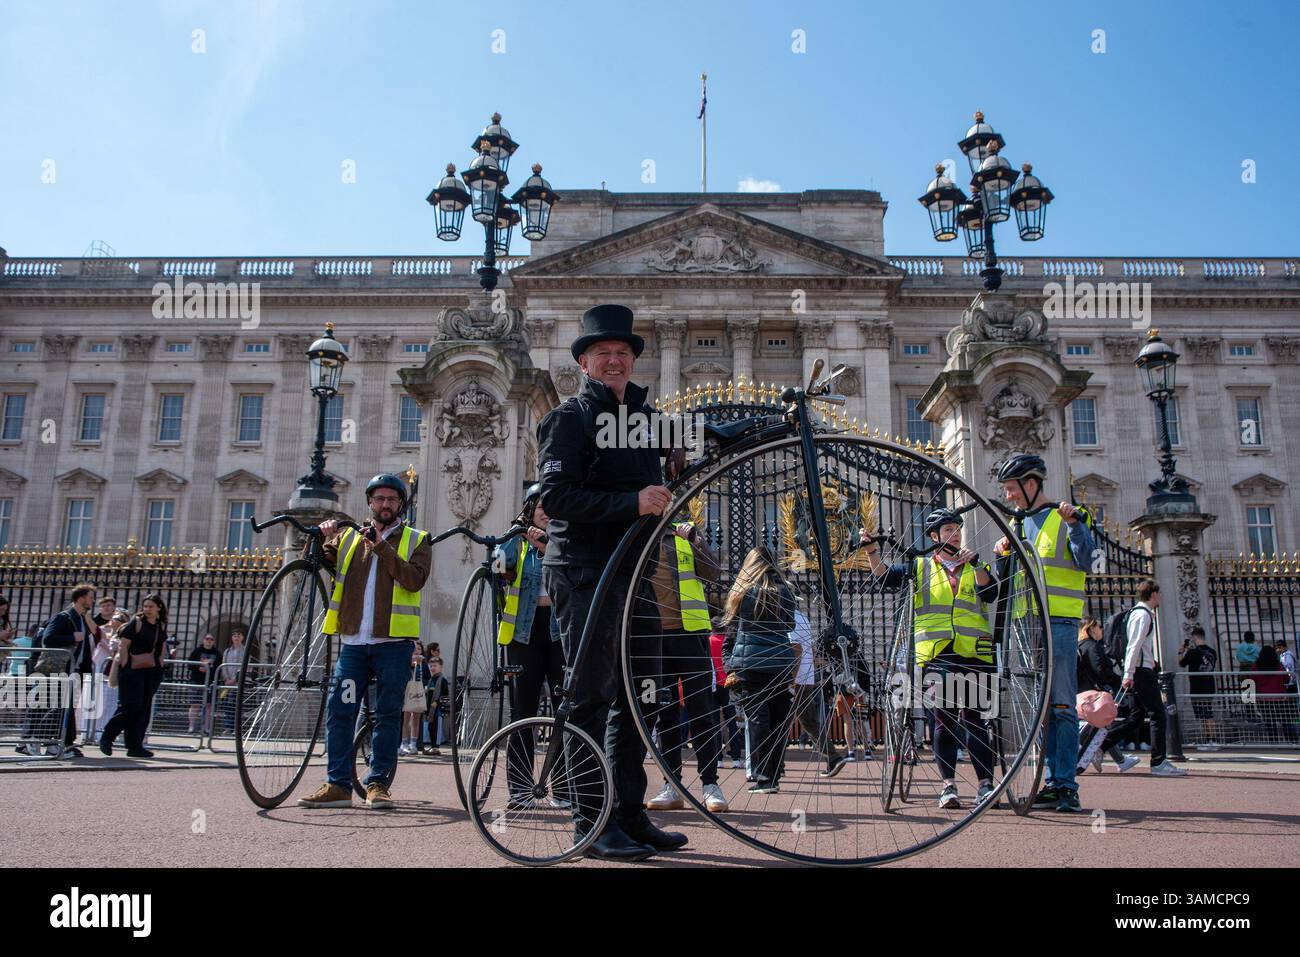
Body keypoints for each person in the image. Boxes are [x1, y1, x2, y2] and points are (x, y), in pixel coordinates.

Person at [537, 303, 687, 861]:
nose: (615, 360)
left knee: (636, 700)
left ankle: (630, 814)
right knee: (591, 697)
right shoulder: (570, 418)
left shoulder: (647, 422)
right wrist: (632, 500)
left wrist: (669, 465)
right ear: (584, 363)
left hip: (636, 572)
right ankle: (590, 822)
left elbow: (669, 468)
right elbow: (555, 498)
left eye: (623, 353)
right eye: (603, 353)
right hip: (584, 570)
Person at [298, 472, 432, 810]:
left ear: (400, 504)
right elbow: (314, 560)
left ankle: (377, 784)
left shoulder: (417, 539)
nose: (384, 505)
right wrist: (322, 533)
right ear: (370, 502)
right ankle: (338, 784)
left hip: (393, 645)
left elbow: (414, 580)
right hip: (354, 644)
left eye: (391, 500)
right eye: (379, 499)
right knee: (340, 711)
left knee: (388, 714)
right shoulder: (347, 538)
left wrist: (383, 547)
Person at [861, 507, 999, 808]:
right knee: (944, 719)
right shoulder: (920, 566)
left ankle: (985, 784)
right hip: (938, 654)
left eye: (957, 529)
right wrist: (871, 550)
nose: (956, 534)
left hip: (974, 652)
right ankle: (948, 785)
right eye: (949, 529)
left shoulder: (976, 564)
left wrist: (977, 564)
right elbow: (884, 577)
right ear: (934, 536)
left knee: (975, 719)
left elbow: (990, 594)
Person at [992, 454, 1094, 813]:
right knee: (1036, 709)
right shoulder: (1016, 526)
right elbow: (1007, 584)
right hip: (1024, 624)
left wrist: (1078, 525)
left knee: (1062, 704)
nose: (1008, 497)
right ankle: (1049, 780)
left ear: (1030, 484)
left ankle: (1066, 785)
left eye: (1011, 489)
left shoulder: (1067, 517)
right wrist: (1001, 557)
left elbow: (1087, 561)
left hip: (1059, 622)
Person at [644, 519, 728, 813]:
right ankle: (671, 785)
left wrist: (696, 539)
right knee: (665, 714)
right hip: (653, 638)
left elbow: (713, 573)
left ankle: (710, 783)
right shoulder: (638, 535)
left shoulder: (682, 535)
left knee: (702, 710)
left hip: (690, 633)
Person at [498, 488, 567, 807]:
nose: (545, 511)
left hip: (560, 634)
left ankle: (565, 789)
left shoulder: (568, 540)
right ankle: (521, 789)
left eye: (550, 506)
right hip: (522, 635)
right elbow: (498, 569)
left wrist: (547, 544)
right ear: (530, 509)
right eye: (540, 506)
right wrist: (514, 537)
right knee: (521, 713)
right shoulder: (516, 540)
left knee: (564, 712)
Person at [721, 546, 797, 795]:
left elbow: (731, 631)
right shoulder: (784, 591)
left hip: (750, 664)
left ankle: (763, 776)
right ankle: (772, 777)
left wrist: (729, 665)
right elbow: (789, 624)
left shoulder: (741, 592)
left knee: (757, 719)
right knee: (777, 720)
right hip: (779, 663)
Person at [1112, 580, 1186, 775]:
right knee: (1158, 714)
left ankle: (1103, 745)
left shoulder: (1139, 614)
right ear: (1152, 594)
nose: (1161, 597)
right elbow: (1134, 645)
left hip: (1141, 668)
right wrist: (1128, 673)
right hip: (1141, 671)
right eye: (1159, 594)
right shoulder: (1142, 615)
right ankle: (1159, 761)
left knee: (1136, 717)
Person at [98, 594, 169, 758]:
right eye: (146, 606)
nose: (148, 609)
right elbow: (123, 645)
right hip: (132, 671)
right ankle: (108, 736)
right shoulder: (136, 623)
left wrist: (159, 667)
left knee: (143, 710)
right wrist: (125, 666)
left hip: (150, 672)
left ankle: (135, 745)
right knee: (130, 707)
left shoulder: (160, 626)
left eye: (151, 606)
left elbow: (161, 648)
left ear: (159, 607)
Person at [788, 603, 850, 777]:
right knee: (809, 722)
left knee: (778, 722)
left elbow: (796, 649)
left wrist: (791, 681)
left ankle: (772, 769)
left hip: (796, 679)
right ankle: (833, 757)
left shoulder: (789, 618)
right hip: (806, 678)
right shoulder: (803, 618)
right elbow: (810, 649)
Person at [1076, 617, 1139, 773]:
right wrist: (1114, 682)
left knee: (1103, 724)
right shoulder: (1092, 646)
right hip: (1095, 693)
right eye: (1099, 626)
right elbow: (1100, 669)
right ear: (1091, 628)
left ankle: (1119, 759)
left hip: (1083, 691)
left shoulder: (1080, 646)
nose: (1101, 630)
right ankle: (1092, 757)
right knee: (1102, 723)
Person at [1180, 626, 1220, 750]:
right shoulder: (1212, 652)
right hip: (1209, 685)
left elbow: (1181, 663)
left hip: (1197, 687)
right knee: (1207, 713)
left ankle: (1210, 740)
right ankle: (1211, 740)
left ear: (1194, 637)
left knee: (1204, 715)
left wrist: (1181, 652)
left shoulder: (1193, 652)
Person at [709, 630, 745, 769]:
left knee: (715, 724)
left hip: (713, 684)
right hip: (728, 682)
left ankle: (718, 759)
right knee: (732, 722)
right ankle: (735, 758)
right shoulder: (728, 640)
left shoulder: (709, 640)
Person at [1253, 645, 1297, 743]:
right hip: (1279, 697)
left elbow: (1252, 679)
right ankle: (1292, 740)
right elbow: (1286, 678)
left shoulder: (1256, 666)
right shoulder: (1278, 665)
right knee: (1285, 720)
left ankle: (1274, 740)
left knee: (1269, 721)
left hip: (1263, 698)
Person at [186, 633, 221, 734]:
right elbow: (190, 664)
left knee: (209, 705)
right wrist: (198, 668)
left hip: (210, 682)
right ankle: (191, 727)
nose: (209, 641)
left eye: (211, 639)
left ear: (214, 641)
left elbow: (219, 667)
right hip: (196, 680)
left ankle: (206, 728)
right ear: (203, 640)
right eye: (207, 639)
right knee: (194, 704)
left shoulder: (217, 653)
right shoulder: (197, 651)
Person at [400, 642, 428, 755]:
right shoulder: (406, 662)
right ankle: (404, 743)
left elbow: (427, 676)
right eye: (415, 649)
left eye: (419, 649)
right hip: (408, 692)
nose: (417, 652)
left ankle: (413, 743)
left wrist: (420, 664)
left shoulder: (424, 664)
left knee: (416, 719)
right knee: (406, 719)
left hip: (419, 693)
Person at [423, 653, 450, 754]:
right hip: (430, 709)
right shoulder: (431, 680)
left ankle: (436, 747)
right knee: (431, 728)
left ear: (441, 667)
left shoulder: (442, 680)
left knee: (437, 728)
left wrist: (437, 702)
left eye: (435, 666)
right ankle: (432, 745)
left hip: (438, 710)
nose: (433, 668)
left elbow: (445, 694)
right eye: (431, 666)